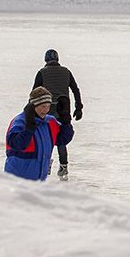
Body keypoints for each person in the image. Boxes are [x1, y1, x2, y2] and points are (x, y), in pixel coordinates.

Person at [33, 49, 84, 180]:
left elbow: (35, 93)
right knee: (61, 139)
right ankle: (63, 166)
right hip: (63, 109)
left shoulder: (42, 73)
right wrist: (79, 107)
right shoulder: (66, 72)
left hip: (47, 110)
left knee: (47, 137)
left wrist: (30, 111)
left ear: (46, 59)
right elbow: (75, 90)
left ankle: (46, 165)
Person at [4, 87, 75, 181]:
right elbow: (16, 144)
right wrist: (29, 128)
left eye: (48, 106)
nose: (45, 110)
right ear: (33, 106)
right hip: (16, 181)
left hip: (39, 181)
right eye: (42, 106)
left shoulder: (50, 122)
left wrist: (66, 122)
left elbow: (63, 140)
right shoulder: (19, 121)